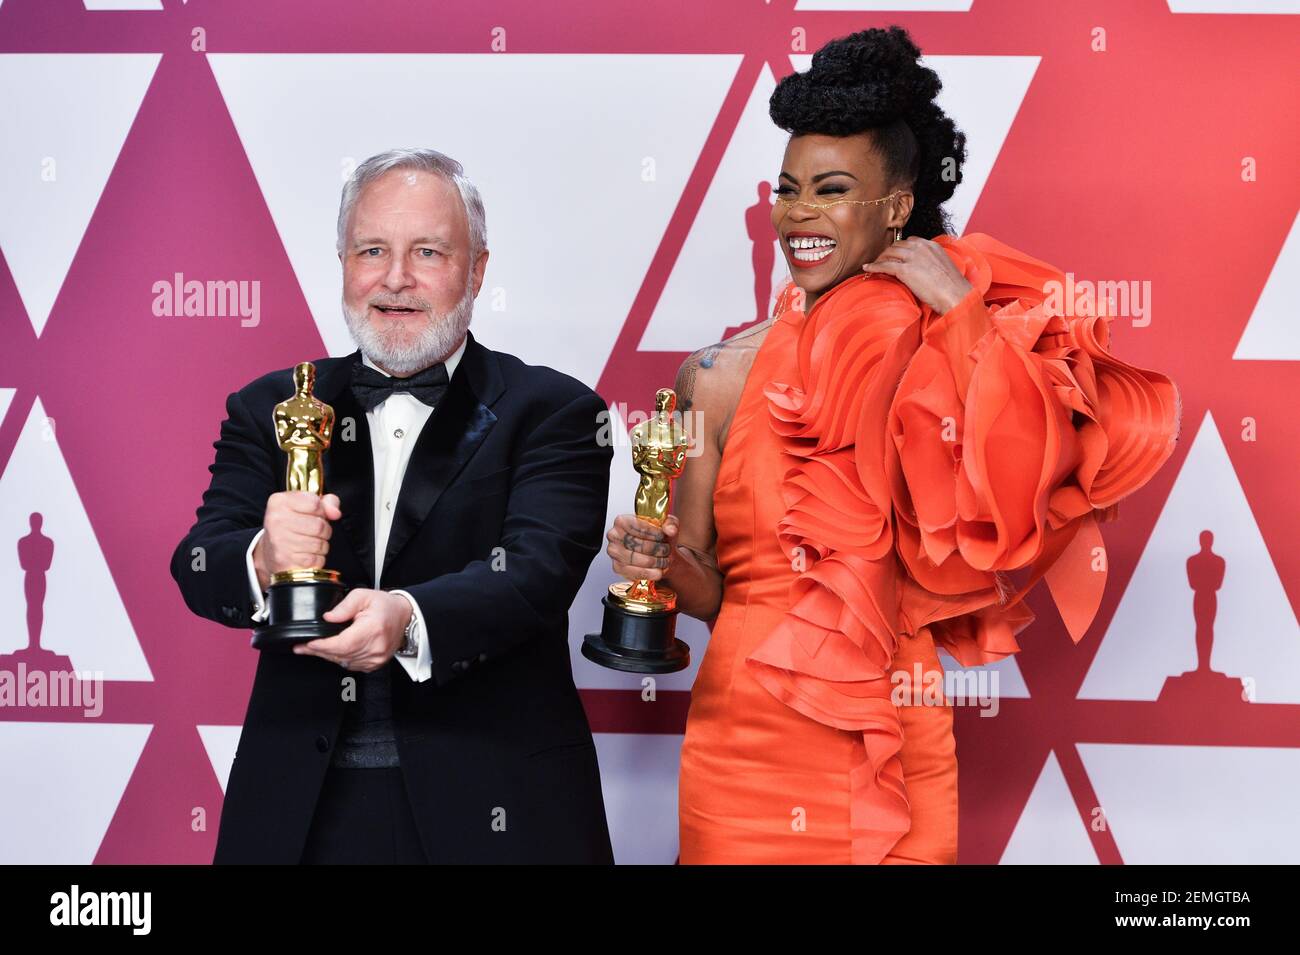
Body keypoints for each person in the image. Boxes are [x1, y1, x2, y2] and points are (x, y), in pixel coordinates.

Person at [606, 27, 1181, 864]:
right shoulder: (717, 374)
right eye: (789, 189)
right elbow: (706, 591)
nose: (800, 212)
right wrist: (653, 558)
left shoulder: (952, 353)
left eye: (832, 190)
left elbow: (1016, 499)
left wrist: (962, 317)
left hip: (895, 737)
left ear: (899, 206)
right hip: (745, 753)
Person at [171, 148, 615, 864]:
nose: (396, 278)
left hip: (499, 810)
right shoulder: (272, 406)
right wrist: (264, 556)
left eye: (428, 252)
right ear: (343, 262)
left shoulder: (554, 410)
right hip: (299, 815)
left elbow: (537, 573)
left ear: (476, 271)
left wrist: (408, 619)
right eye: (372, 249)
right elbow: (199, 562)